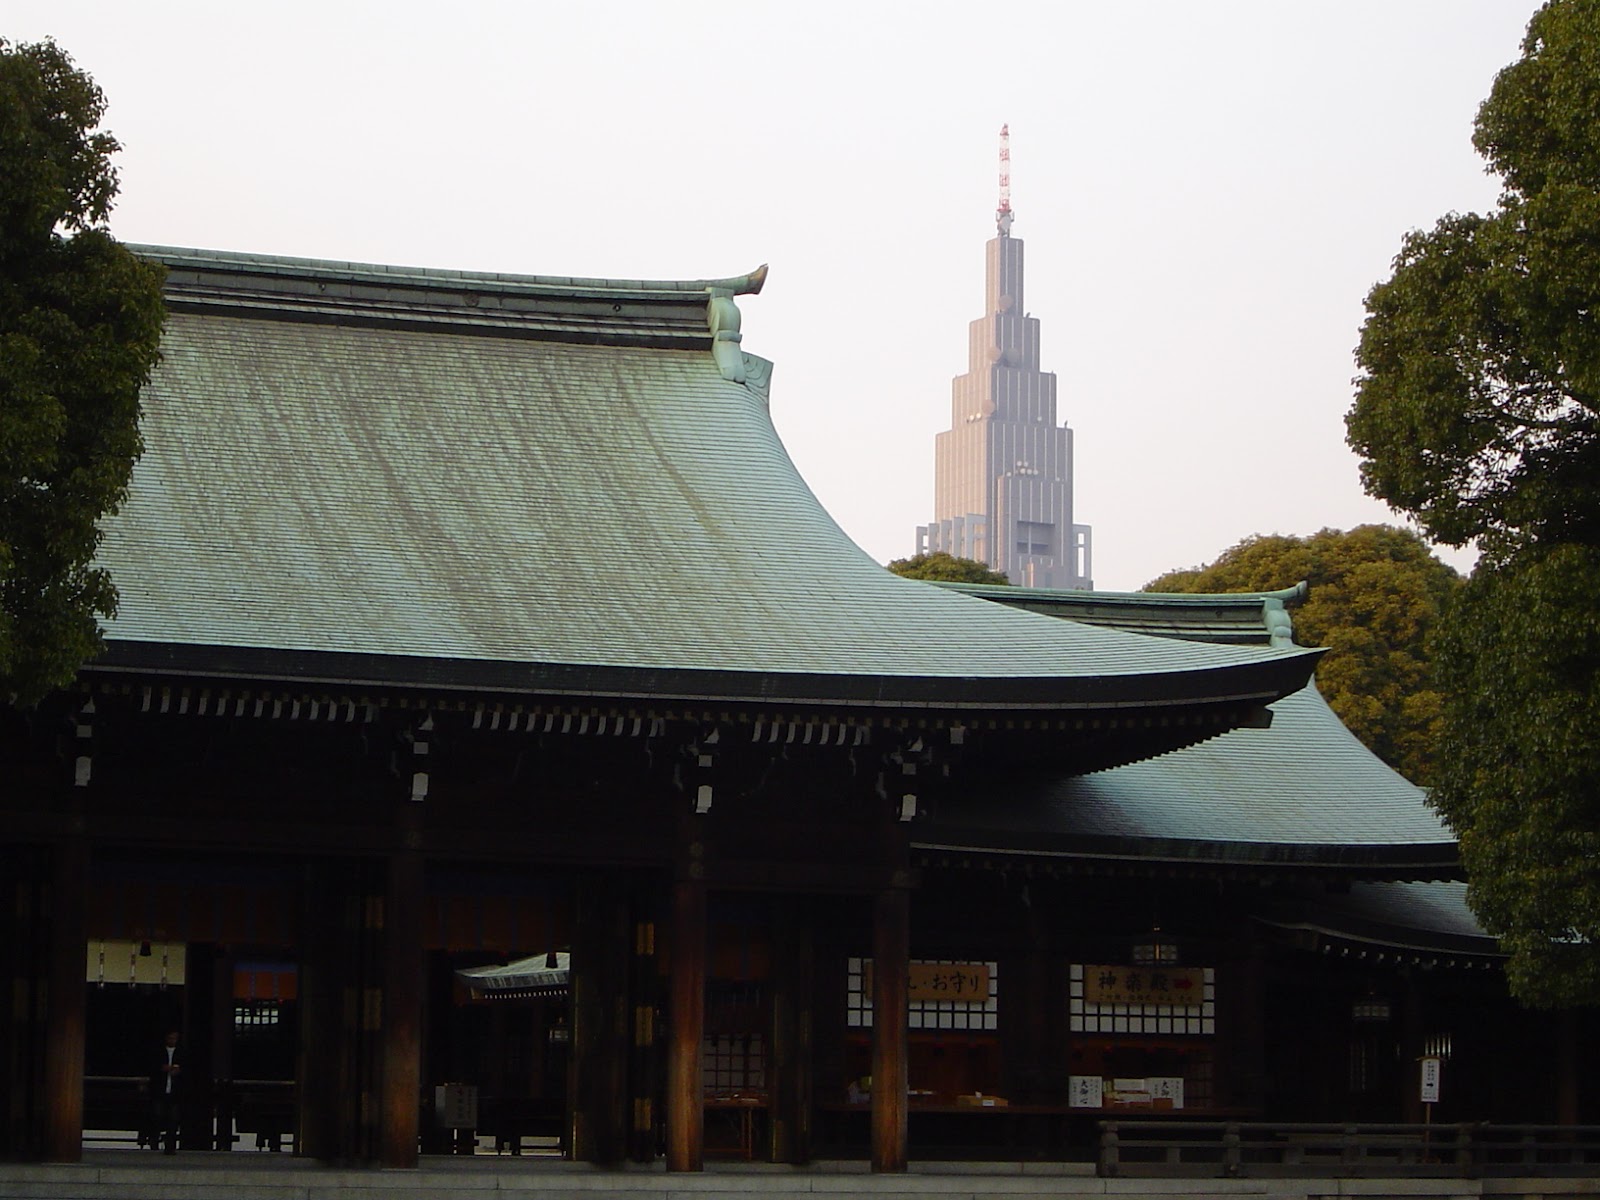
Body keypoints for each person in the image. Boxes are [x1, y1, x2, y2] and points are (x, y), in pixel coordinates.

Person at [149, 1029, 182, 1154]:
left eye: (175, 1038)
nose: (173, 1041)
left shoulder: (181, 1053)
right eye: (171, 1038)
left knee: (173, 1119)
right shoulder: (158, 1052)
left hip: (174, 1091)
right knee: (157, 1116)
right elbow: (153, 1068)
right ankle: (154, 1140)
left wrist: (178, 1071)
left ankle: (170, 1146)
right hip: (160, 1090)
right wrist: (162, 1069)